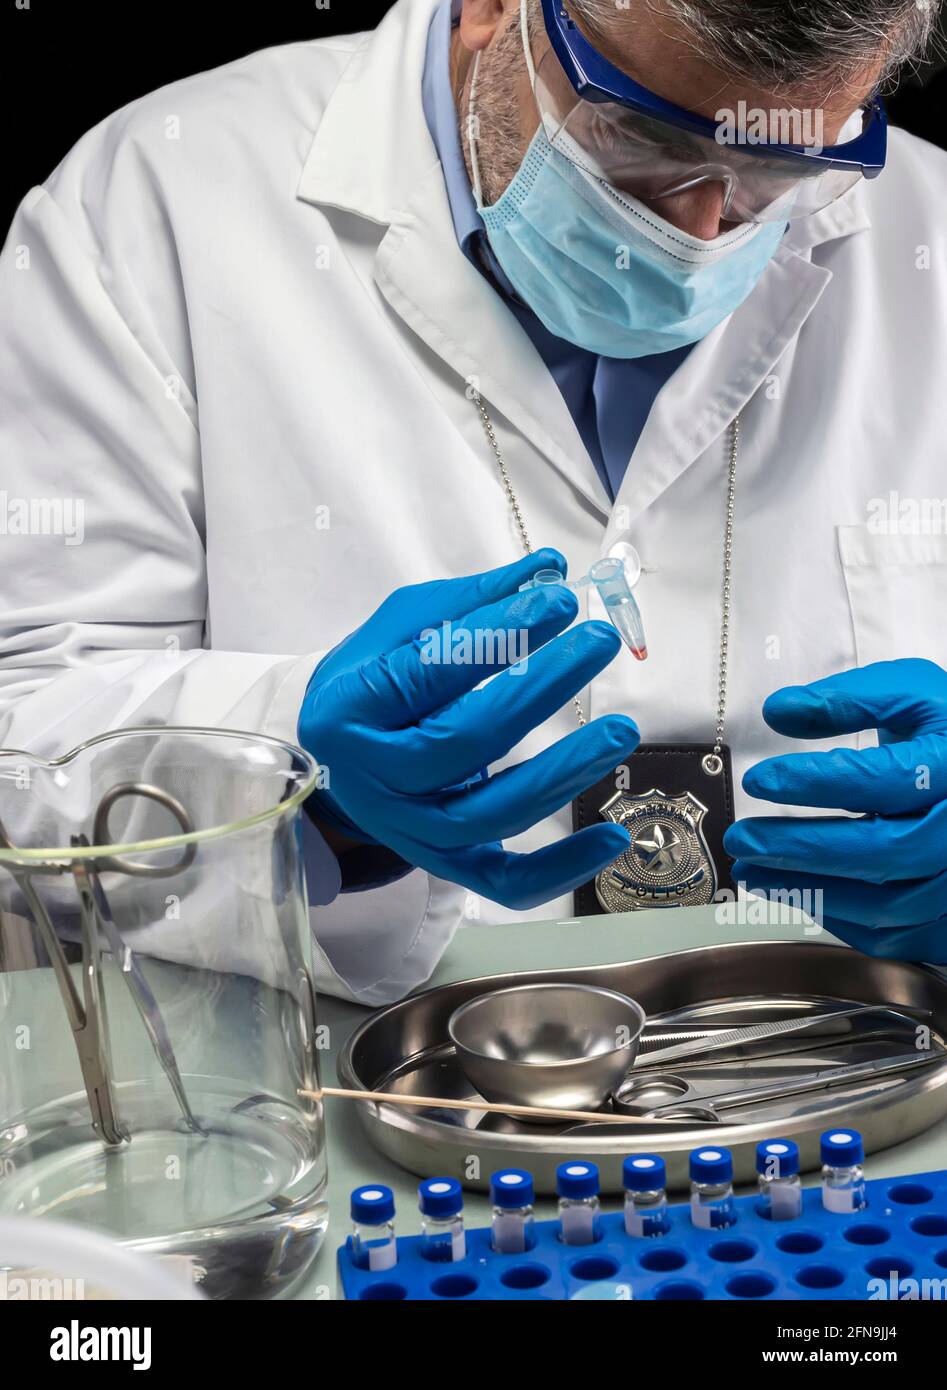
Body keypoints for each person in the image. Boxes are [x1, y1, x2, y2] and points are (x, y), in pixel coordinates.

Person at [2, 0, 946, 1003]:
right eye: (641, 136)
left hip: (844, 1078)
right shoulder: (150, 208)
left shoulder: (929, 239)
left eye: (780, 165)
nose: (702, 230)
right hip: (344, 1105)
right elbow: (24, 735)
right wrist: (289, 778)